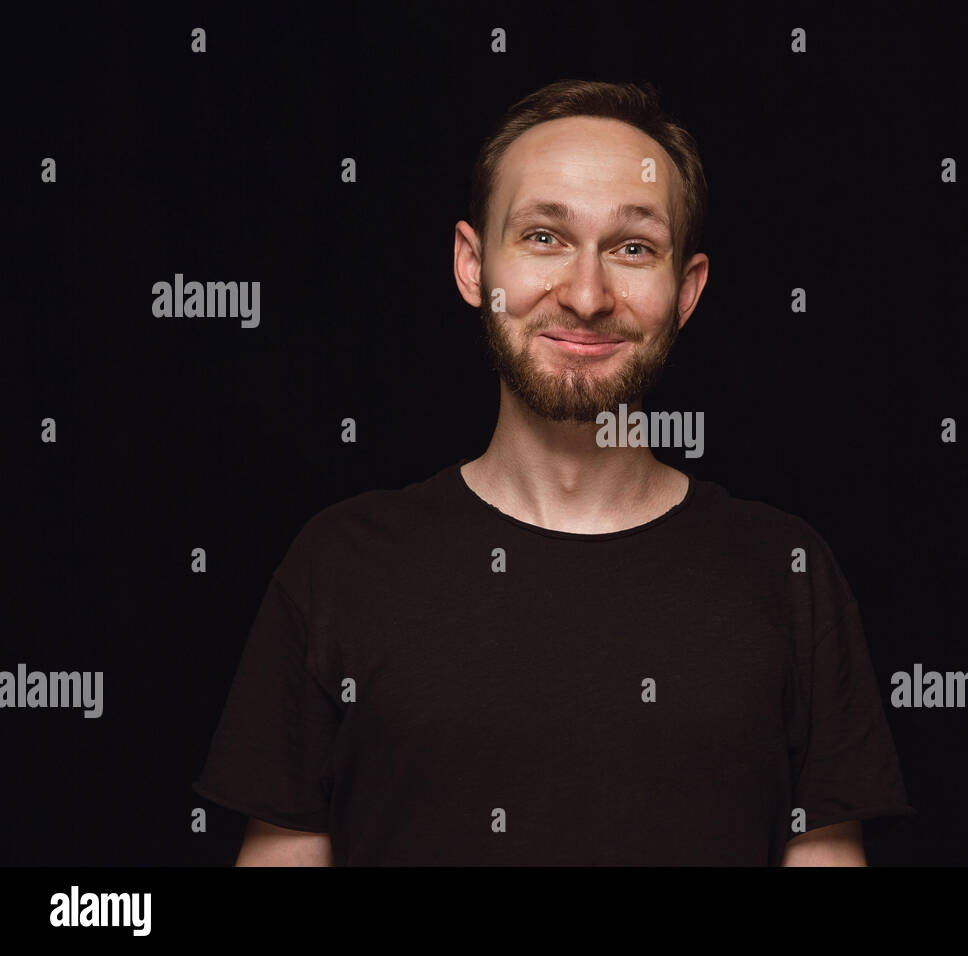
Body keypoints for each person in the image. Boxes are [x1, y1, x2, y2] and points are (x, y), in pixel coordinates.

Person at [193, 79, 915, 866]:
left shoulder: (787, 572)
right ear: (473, 266)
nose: (586, 294)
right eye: (544, 237)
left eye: (633, 248)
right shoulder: (338, 564)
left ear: (686, 292)